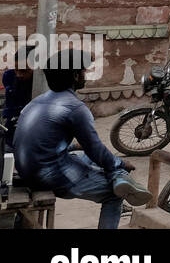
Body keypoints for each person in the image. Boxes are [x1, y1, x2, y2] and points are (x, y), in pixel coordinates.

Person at [12, 49, 151, 229]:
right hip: (47, 176)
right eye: (83, 71)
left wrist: (74, 147)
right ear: (76, 76)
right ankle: (118, 177)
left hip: (26, 170)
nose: (85, 75)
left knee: (86, 156)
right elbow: (95, 149)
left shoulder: (36, 102)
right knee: (114, 194)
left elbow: (39, 143)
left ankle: (117, 176)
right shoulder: (75, 108)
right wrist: (120, 163)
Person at [2, 43, 36, 147]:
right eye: (16, 69)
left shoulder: (43, 83)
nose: (18, 75)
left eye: (24, 71)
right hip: (11, 134)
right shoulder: (9, 77)